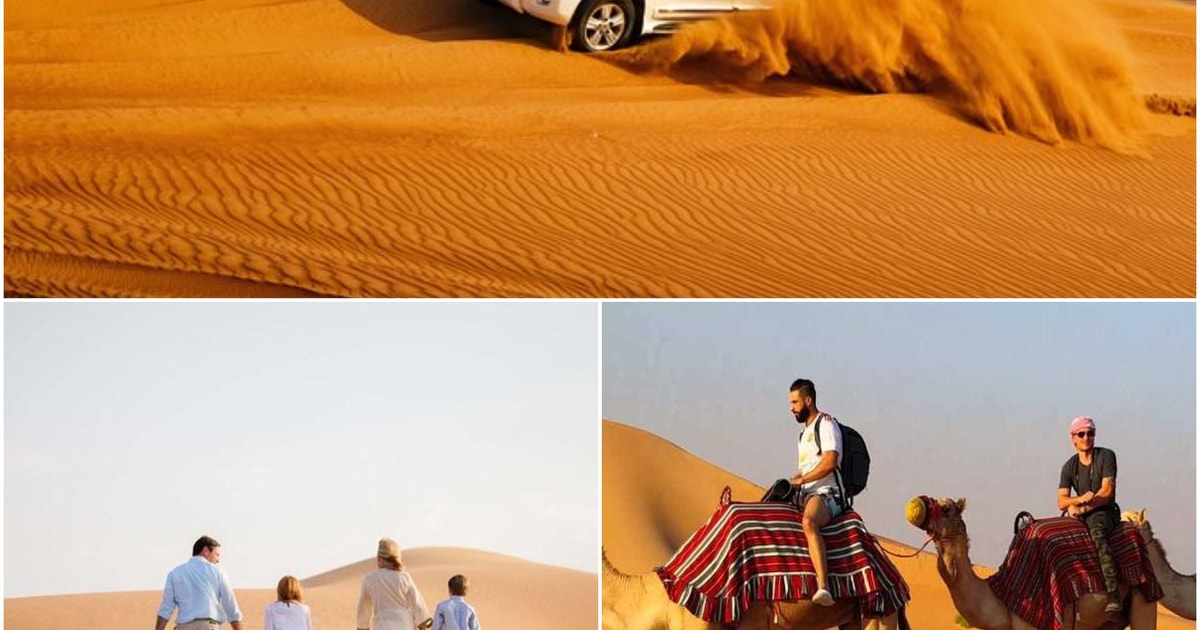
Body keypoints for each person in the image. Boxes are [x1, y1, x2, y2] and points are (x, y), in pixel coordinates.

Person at [786, 378, 845, 607]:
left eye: (795, 402)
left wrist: (803, 480)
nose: (792, 408)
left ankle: (823, 586)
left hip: (827, 493)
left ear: (808, 400)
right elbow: (807, 468)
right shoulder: (803, 435)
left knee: (809, 522)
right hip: (806, 493)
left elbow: (830, 462)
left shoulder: (826, 424)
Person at [1057, 415, 1122, 613]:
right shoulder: (1069, 467)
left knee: (1097, 534)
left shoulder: (1106, 456)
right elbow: (1061, 501)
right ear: (1073, 439)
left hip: (1105, 512)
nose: (1086, 437)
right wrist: (1077, 502)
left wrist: (1085, 505)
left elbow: (1107, 491)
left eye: (1090, 433)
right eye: (1082, 434)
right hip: (1080, 512)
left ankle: (1113, 594)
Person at [155, 536, 244, 630]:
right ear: (205, 550)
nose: (218, 560)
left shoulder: (175, 574)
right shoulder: (218, 572)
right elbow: (231, 608)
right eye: (216, 555)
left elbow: (165, 609)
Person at [357, 538, 433, 630]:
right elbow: (417, 603)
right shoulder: (404, 577)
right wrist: (423, 624)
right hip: (405, 625)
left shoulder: (370, 579)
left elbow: (363, 609)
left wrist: (363, 627)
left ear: (379, 559)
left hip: (382, 625)